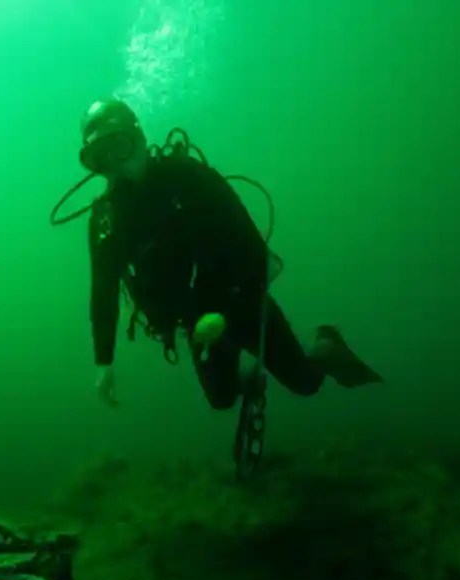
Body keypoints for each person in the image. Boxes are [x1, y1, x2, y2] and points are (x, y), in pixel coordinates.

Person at [68, 97, 382, 411]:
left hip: (242, 300)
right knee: (221, 400)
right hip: (198, 322)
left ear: (138, 139)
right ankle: (249, 378)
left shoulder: (185, 176)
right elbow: (103, 290)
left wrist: (254, 278)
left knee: (306, 384)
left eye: (120, 147)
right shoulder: (105, 219)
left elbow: (241, 228)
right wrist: (103, 361)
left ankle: (326, 346)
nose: (115, 163)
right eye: (101, 159)